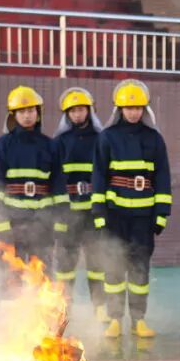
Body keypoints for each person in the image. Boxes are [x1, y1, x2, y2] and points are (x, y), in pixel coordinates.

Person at [91, 79, 172, 339]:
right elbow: (99, 176)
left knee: (139, 271)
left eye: (138, 107)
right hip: (115, 216)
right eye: (129, 108)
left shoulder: (154, 139)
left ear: (144, 109)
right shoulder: (107, 137)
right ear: (119, 110)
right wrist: (100, 213)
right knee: (114, 269)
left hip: (143, 219)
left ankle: (138, 320)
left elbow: (162, 178)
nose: (134, 112)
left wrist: (161, 214)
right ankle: (115, 319)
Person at [0, 86, 66, 266]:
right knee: (12, 272)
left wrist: (60, 222)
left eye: (30, 110)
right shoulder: (2, 145)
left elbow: (58, 187)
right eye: (21, 111)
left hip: (43, 220)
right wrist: (1, 224)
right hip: (13, 220)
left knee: (42, 271)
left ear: (38, 113)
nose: (27, 115)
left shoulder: (51, 146)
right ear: (13, 115)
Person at [53, 87, 109, 323]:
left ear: (90, 111)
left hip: (93, 210)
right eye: (73, 110)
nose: (78, 114)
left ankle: (100, 307)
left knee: (96, 262)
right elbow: (55, 179)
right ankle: (65, 309)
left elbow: (106, 174)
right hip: (68, 212)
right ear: (67, 114)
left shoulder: (101, 139)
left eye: (82, 109)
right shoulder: (59, 142)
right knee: (66, 264)